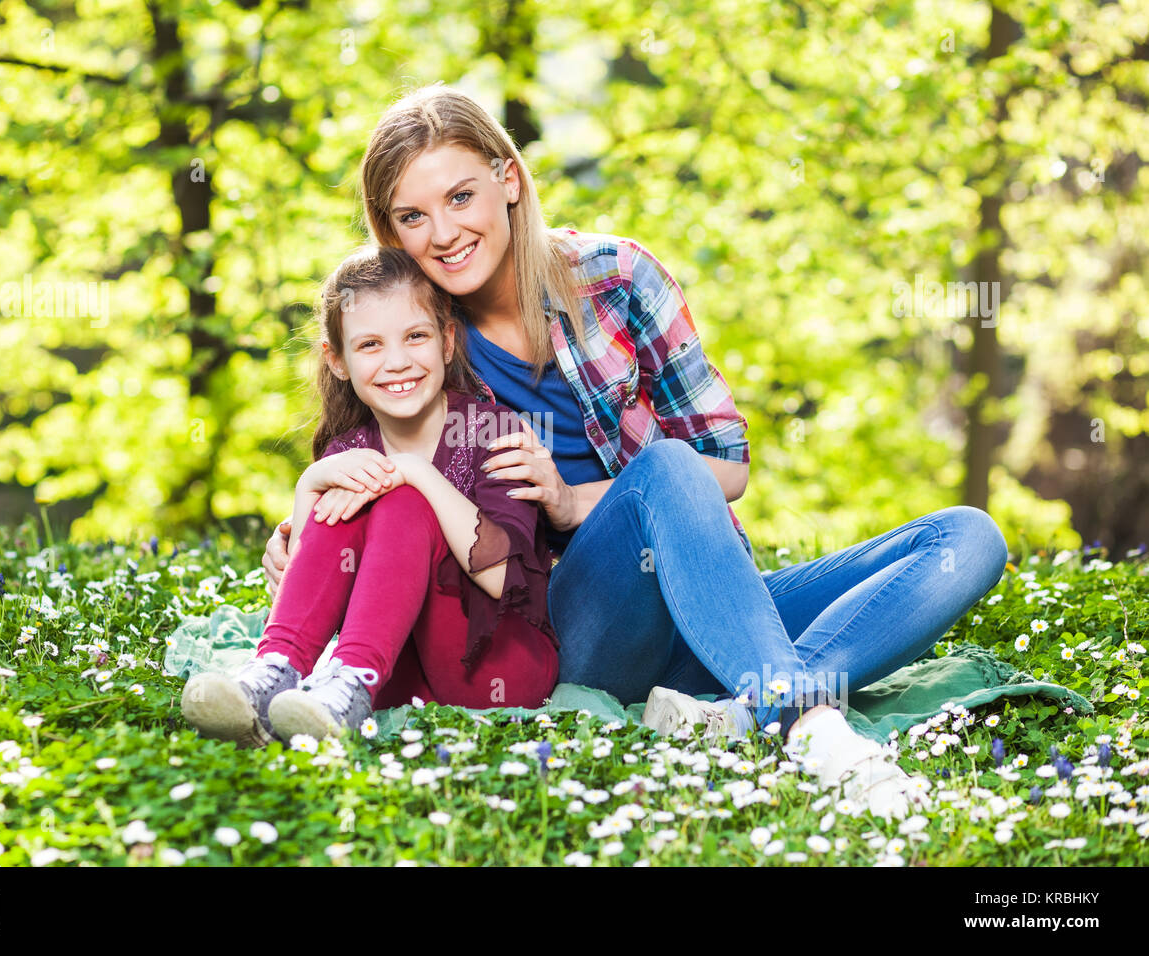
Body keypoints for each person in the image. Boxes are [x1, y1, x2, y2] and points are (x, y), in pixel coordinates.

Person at [260, 84, 1009, 819]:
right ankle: (809, 727)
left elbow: (730, 465)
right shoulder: (422, 336)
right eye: (412, 216)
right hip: (571, 620)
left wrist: (573, 499)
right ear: (391, 234)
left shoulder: (616, 276)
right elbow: (380, 475)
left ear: (508, 179)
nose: (445, 232)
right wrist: (305, 522)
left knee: (966, 539)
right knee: (667, 467)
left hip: (709, 593)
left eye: (461, 197)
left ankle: (741, 709)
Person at [183, 243, 559, 748]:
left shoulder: (493, 430)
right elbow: (311, 595)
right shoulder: (349, 448)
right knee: (347, 492)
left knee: (402, 499)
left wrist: (413, 474)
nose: (397, 362)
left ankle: (349, 682)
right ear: (336, 360)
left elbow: (504, 576)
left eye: (416, 337)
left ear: (447, 342)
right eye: (370, 346)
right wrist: (309, 485)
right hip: (395, 674)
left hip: (497, 666)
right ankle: (274, 673)